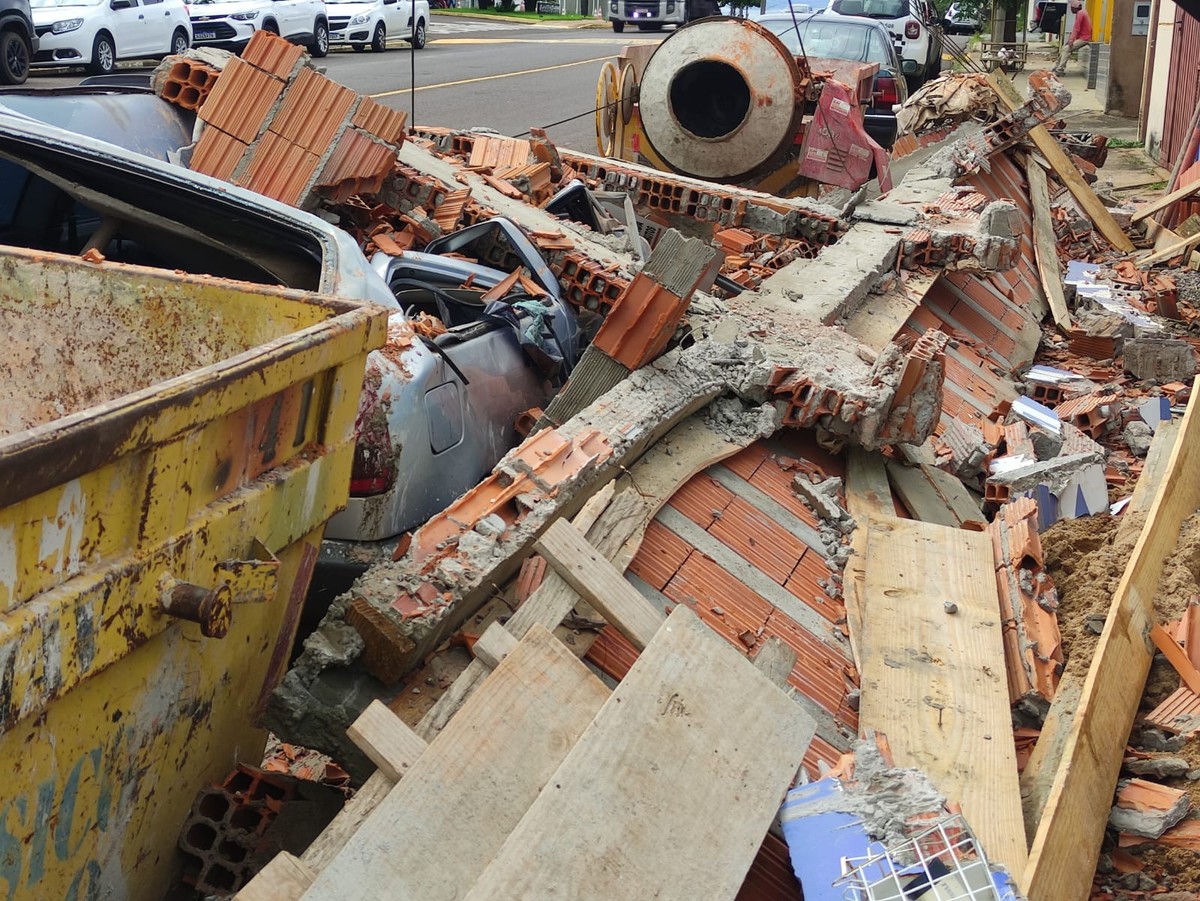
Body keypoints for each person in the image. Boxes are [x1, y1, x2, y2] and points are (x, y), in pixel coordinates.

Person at [1054, 0, 1092, 75]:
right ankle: (1057, 67)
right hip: (1083, 37)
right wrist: (1071, 40)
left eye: (1071, 8)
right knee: (1065, 48)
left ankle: (1060, 69)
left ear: (1075, 8)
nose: (1071, 9)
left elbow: (1076, 28)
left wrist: (1071, 40)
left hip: (1084, 38)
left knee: (1067, 49)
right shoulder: (1082, 12)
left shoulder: (1080, 14)